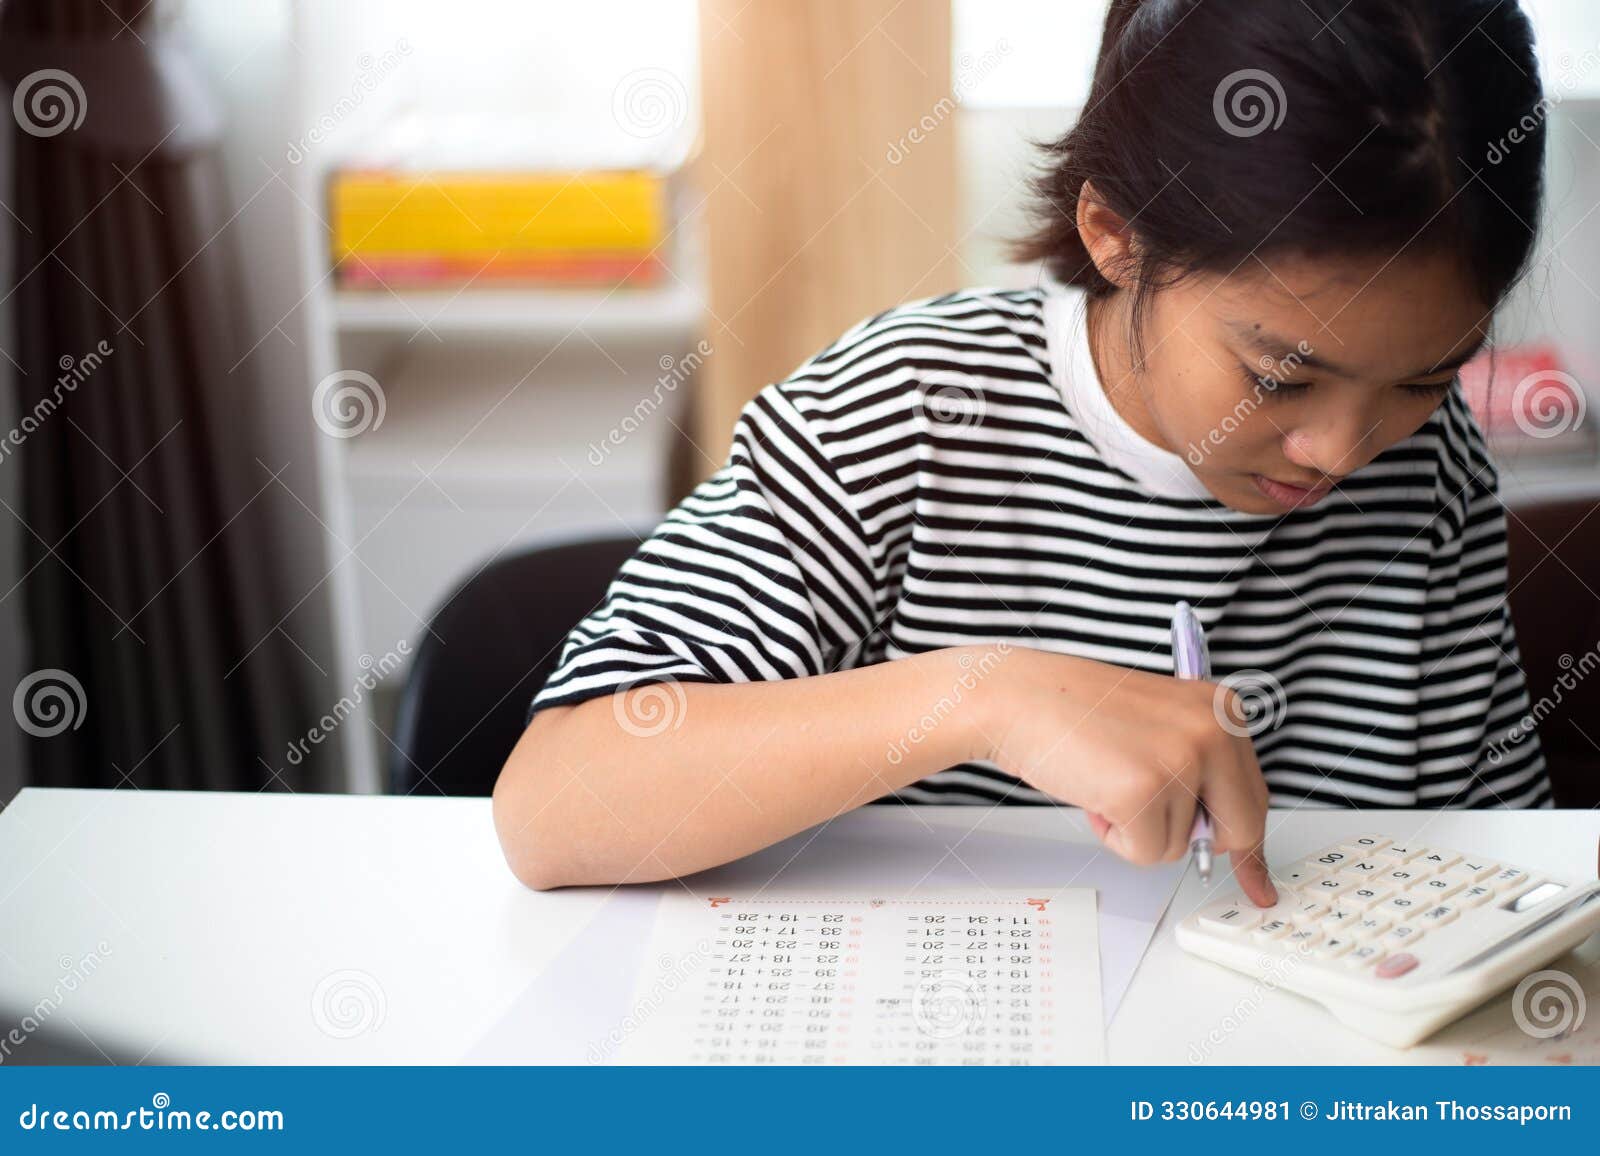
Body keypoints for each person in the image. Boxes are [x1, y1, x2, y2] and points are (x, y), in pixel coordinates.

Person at [494, 0, 1552, 897]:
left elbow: (1505, 867)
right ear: (1115, 232)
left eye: (1423, 378)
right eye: (1279, 376)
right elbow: (554, 803)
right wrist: (986, 698)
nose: (1339, 448)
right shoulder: (901, 411)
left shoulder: (1429, 471)